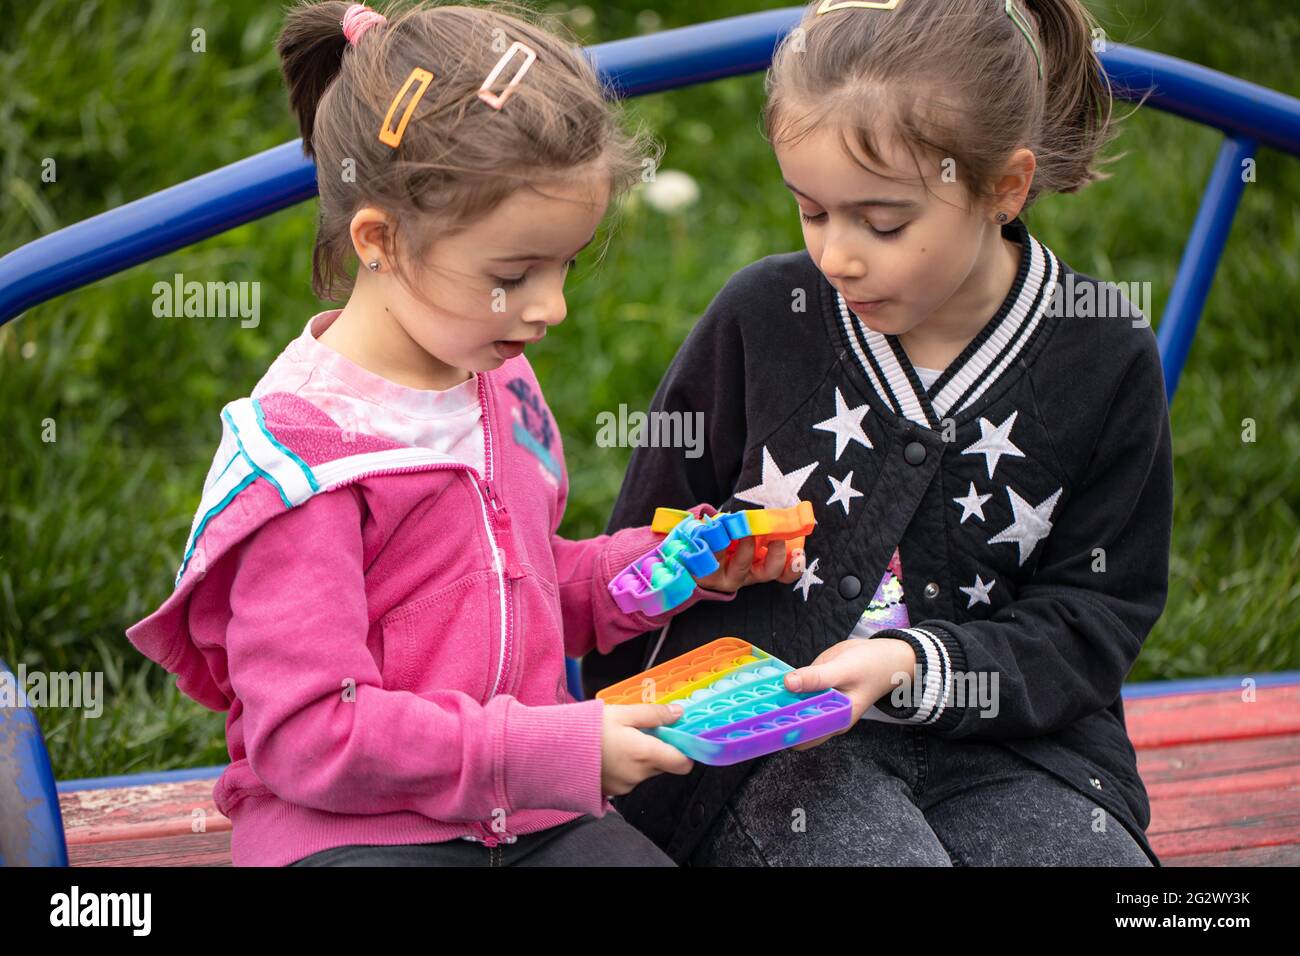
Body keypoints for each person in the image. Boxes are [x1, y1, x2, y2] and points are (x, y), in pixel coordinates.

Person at [125, 1, 788, 867]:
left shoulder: (496, 381)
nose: (551, 308)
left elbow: (530, 589)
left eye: (566, 264)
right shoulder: (306, 462)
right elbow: (310, 735)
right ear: (381, 241)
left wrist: (668, 569)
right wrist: (560, 749)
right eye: (513, 275)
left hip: (534, 815)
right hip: (354, 835)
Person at [583, 0, 1172, 867]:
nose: (837, 258)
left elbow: (1098, 612)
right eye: (811, 212)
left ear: (1003, 188)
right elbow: (631, 566)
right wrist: (691, 570)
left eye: (883, 222)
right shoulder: (764, 318)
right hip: (774, 755)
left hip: (1022, 750)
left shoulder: (1103, 352)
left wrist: (910, 665)